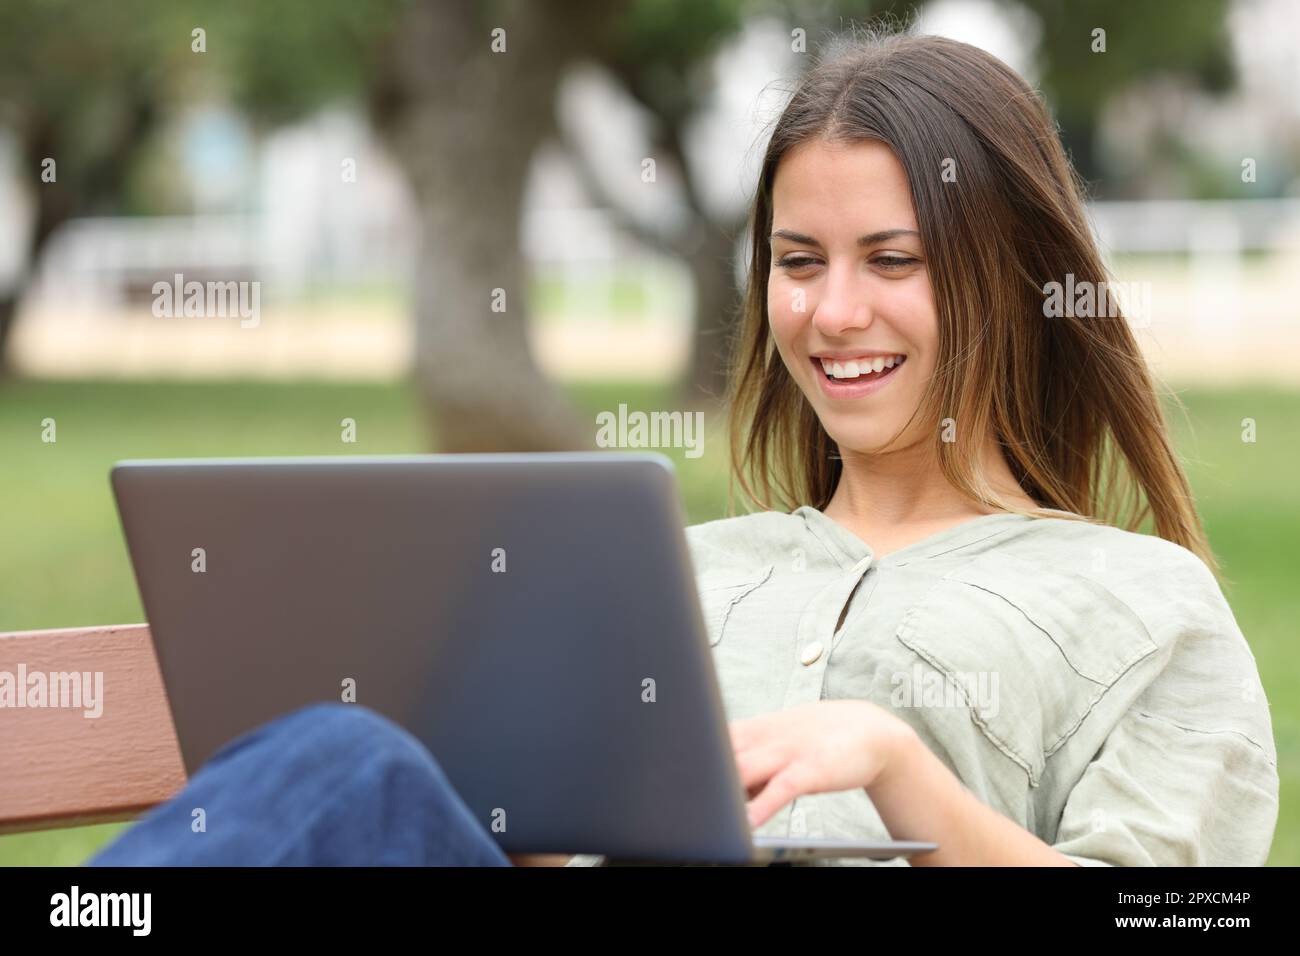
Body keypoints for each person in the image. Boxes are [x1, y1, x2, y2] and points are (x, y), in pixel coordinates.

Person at [91, 27, 1278, 868]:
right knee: (346, 758)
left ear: (1017, 284)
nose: (829, 311)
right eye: (799, 263)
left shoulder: (1143, 605)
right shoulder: (667, 569)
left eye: (893, 260)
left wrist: (890, 761)